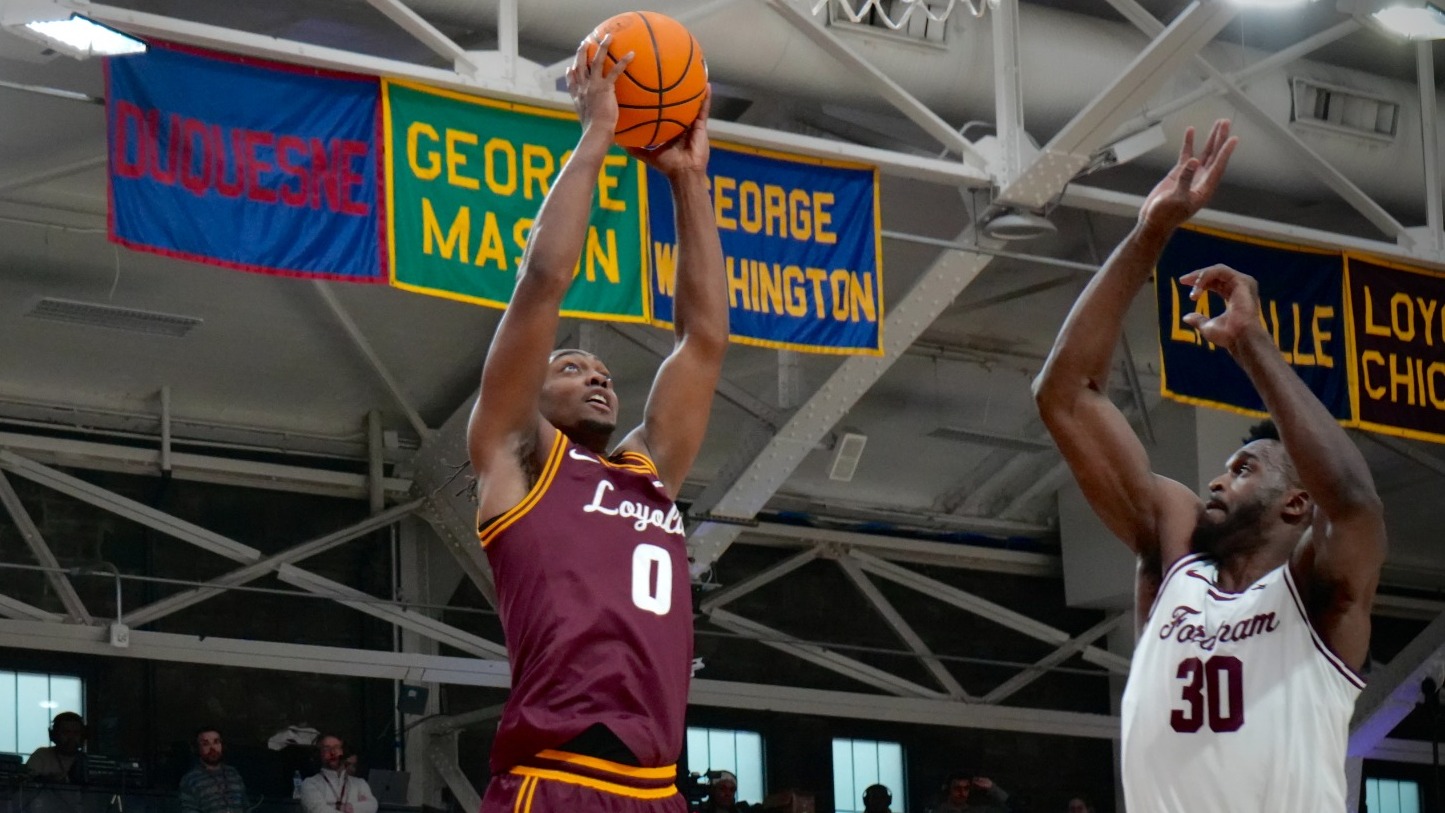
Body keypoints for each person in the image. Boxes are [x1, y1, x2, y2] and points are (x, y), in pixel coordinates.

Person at [1033, 119, 1386, 812]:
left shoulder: (1318, 596)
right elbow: (1064, 395)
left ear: (1296, 503)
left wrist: (1251, 343)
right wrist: (1150, 233)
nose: (1218, 479)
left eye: (1245, 468)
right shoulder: (1178, 557)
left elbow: (1351, 502)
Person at [467, 28, 727, 813]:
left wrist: (688, 180)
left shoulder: (648, 473)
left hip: (655, 788)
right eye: (571, 366)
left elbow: (703, 340)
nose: (597, 376)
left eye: (604, 371)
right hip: (555, 780)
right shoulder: (517, 456)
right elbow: (545, 278)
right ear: (532, 392)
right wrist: (598, 133)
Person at [300, 735, 377, 813]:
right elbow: (318, 810)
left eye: (337, 748)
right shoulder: (310, 784)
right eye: (326, 749)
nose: (332, 753)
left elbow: (372, 806)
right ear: (319, 754)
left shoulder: (360, 783)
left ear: (344, 751)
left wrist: (351, 807)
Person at [179, 727, 248, 813]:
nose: (212, 748)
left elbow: (245, 806)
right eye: (205, 744)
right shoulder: (190, 779)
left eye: (216, 742)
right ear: (197, 748)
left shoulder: (233, 773)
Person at [25, 711, 86, 783]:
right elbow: (27, 781)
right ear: (54, 735)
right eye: (66, 732)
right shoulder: (41, 755)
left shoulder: (86, 760)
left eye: (76, 733)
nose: (71, 737)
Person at [933, 773, 1008, 813]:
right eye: (957, 788)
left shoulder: (980, 811)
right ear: (948, 789)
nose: (962, 793)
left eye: (966, 788)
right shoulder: (936, 810)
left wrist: (992, 788)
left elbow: (1010, 809)